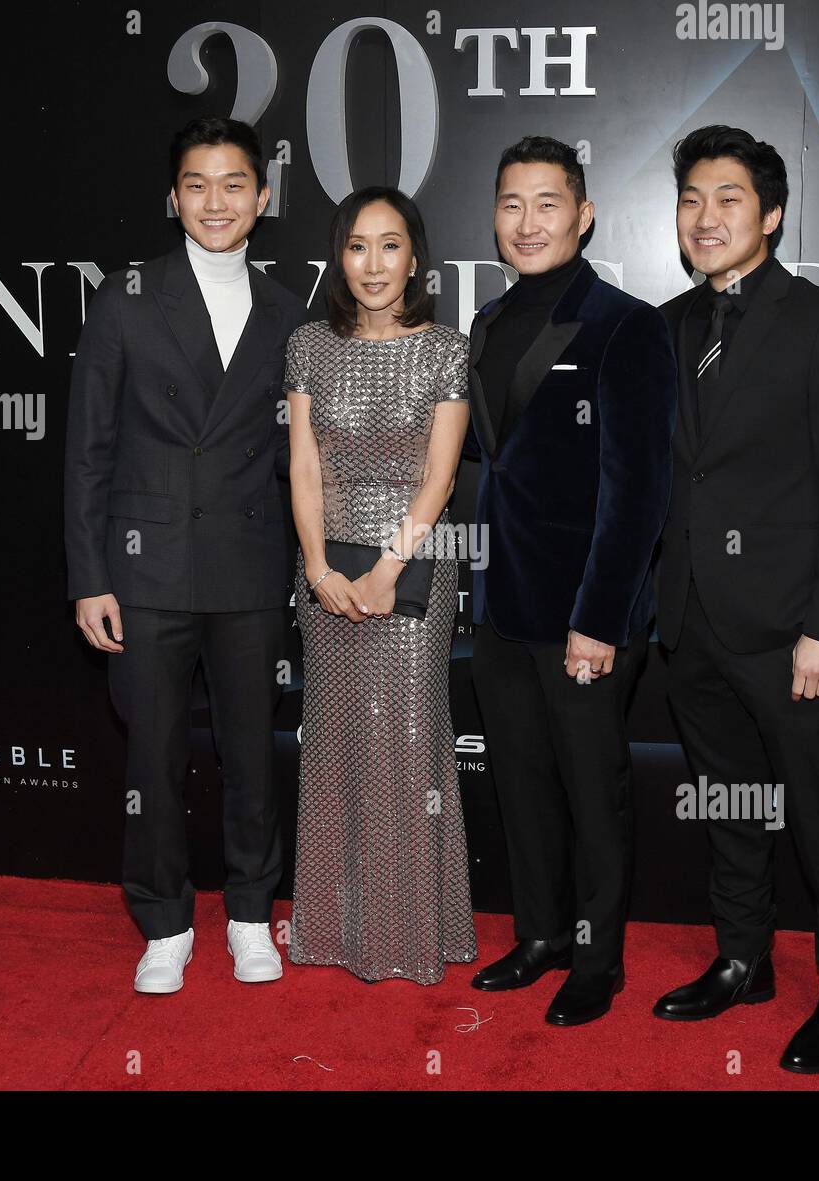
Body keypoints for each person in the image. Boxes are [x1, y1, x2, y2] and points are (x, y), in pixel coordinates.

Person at [652, 125, 819, 1073]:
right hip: (690, 618)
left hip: (792, 629)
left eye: (729, 198)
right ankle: (741, 958)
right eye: (691, 199)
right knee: (729, 803)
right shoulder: (667, 324)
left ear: (774, 213)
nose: (705, 217)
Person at [64, 116, 307, 994]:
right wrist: (90, 576)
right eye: (197, 184)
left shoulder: (289, 313)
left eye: (234, 183)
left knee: (251, 757)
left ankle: (249, 914)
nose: (216, 201)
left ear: (262, 196)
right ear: (174, 198)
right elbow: (87, 450)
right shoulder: (126, 296)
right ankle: (163, 922)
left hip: (248, 566)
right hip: (148, 569)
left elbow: (300, 458)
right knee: (154, 762)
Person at [465, 136, 677, 1025]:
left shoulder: (626, 324)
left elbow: (637, 491)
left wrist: (599, 617)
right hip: (501, 607)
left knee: (593, 794)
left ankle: (598, 960)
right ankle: (542, 935)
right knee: (522, 786)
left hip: (585, 613)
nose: (528, 222)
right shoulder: (486, 322)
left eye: (547, 203)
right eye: (512, 204)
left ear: (583, 215)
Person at [284, 185, 476, 984]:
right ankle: (335, 928)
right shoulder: (307, 345)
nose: (373, 263)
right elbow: (303, 467)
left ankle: (412, 933)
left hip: (414, 565)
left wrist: (388, 567)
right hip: (327, 570)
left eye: (389, 245)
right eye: (357, 245)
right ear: (339, 257)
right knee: (333, 742)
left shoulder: (445, 349)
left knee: (408, 737)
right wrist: (319, 569)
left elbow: (440, 477)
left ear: (415, 257)